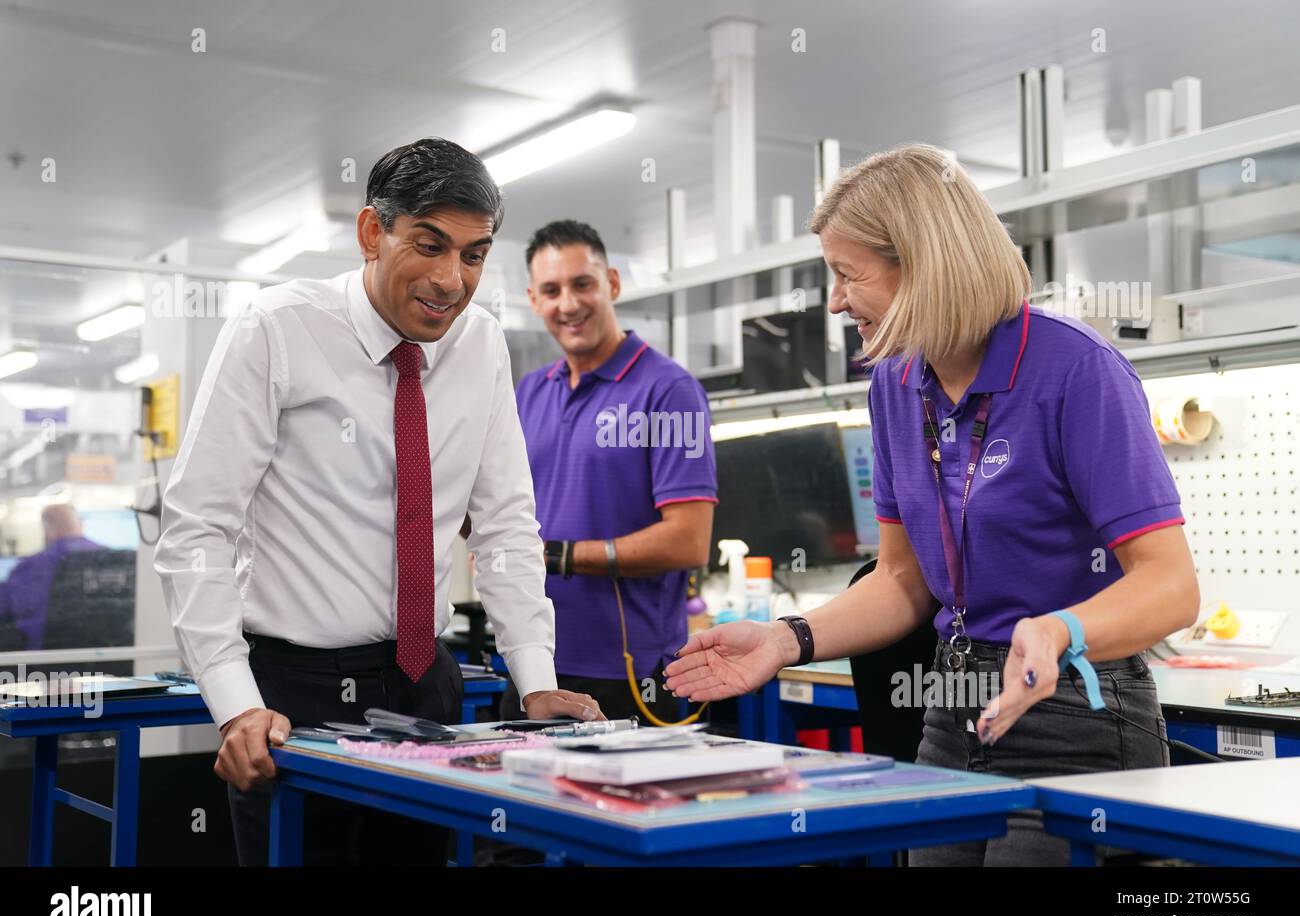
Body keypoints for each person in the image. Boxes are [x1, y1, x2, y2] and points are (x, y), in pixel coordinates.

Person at [664, 144, 1200, 866]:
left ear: (922, 266)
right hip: (953, 708)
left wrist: (1060, 630)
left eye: (847, 274)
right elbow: (901, 582)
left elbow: (1171, 586)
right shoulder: (895, 383)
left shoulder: (1076, 370)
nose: (834, 300)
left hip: (1078, 714)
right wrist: (787, 639)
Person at [154, 138, 602, 866]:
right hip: (290, 699)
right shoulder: (276, 329)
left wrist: (536, 683)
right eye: (430, 245)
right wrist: (235, 703)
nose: (452, 279)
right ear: (372, 232)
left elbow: (506, 526)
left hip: (425, 690)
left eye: (475, 254)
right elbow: (197, 527)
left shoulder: (481, 345)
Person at [505, 220, 717, 723]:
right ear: (533, 300)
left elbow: (688, 541)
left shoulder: (669, 390)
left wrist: (558, 556)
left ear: (612, 284)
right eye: (551, 291)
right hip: (531, 668)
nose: (568, 304)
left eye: (583, 284)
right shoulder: (529, 392)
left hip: (629, 674)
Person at [0, 504, 103, 648]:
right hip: (111, 659)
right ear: (80, 524)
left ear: (46, 530)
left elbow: (5, 608)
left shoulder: (31, 567)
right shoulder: (112, 560)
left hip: (45, 661)